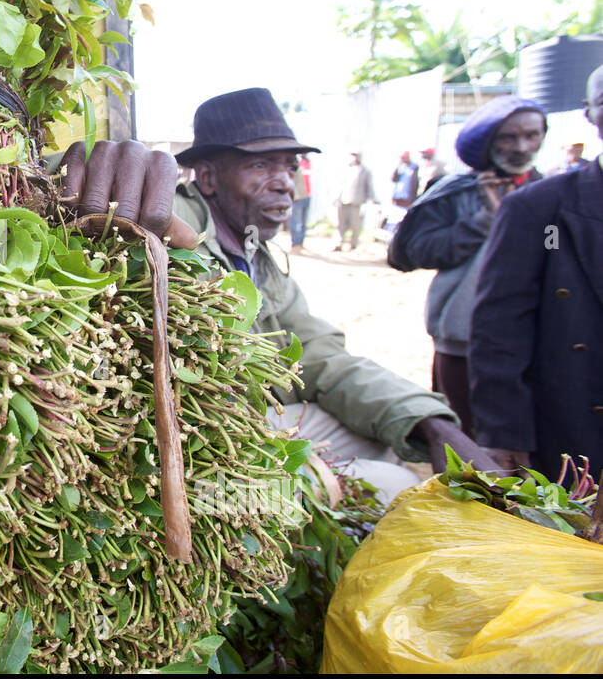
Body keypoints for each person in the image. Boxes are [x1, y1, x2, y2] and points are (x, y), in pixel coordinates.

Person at [57, 87, 500, 501]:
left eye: (290, 166)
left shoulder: (258, 253)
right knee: (397, 485)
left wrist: (433, 421)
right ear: (207, 177)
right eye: (260, 165)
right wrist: (95, 173)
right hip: (190, 439)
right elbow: (103, 205)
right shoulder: (176, 219)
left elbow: (318, 353)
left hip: (251, 424)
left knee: (388, 438)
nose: (285, 181)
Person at [387, 95, 546, 440]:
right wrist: (483, 222)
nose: (521, 147)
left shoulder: (551, 195)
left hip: (536, 337)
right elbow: (412, 252)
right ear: (490, 141)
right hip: (463, 339)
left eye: (531, 136)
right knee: (467, 438)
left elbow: (556, 250)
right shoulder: (454, 193)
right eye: (509, 137)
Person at [469, 67, 603, 477]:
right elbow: (501, 324)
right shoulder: (543, 214)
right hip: (572, 429)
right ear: (589, 114)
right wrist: (506, 430)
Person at [332, 151, 375, 251]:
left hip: (356, 202)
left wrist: (372, 199)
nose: (354, 158)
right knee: (340, 224)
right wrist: (335, 198)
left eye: (356, 156)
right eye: (353, 155)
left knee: (355, 225)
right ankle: (338, 243)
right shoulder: (345, 169)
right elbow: (339, 184)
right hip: (343, 201)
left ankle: (353, 244)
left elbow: (369, 187)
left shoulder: (365, 171)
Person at [288, 154, 312, 253]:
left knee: (303, 222)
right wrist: (295, 195)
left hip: (307, 195)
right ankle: (295, 244)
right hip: (298, 197)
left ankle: (301, 243)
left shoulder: (309, 163)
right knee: (296, 222)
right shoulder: (295, 164)